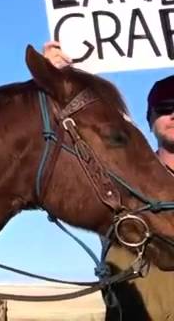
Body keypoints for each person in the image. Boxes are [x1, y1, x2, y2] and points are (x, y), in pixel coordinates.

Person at [43, 41, 174, 319]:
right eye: (164, 108)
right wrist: (55, 79)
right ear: (149, 120)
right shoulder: (120, 178)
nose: (173, 114)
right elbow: (69, 135)